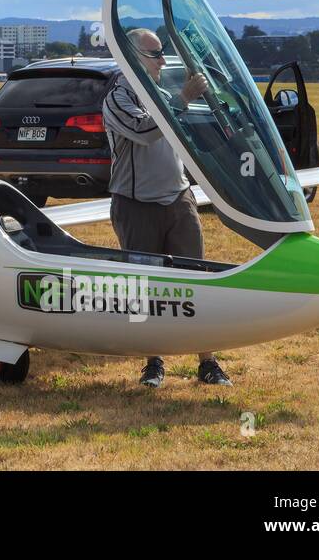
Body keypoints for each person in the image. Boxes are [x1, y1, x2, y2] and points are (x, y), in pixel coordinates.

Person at [103, 28, 232, 388]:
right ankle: (154, 362)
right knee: (146, 287)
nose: (163, 60)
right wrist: (182, 99)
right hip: (136, 205)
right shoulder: (118, 98)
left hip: (179, 199)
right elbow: (145, 131)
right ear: (131, 57)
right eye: (155, 53)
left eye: (162, 53)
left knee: (195, 282)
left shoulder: (157, 91)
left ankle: (207, 361)